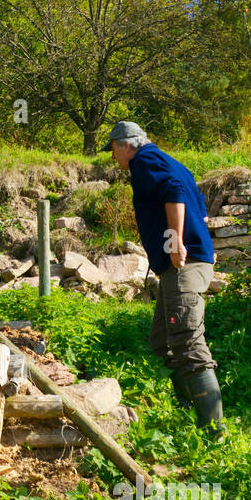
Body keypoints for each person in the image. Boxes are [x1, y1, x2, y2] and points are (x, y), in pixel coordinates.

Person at [101, 120, 226, 439]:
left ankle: (213, 432)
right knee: (162, 339)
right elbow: (199, 206)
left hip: (183, 265)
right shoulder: (171, 162)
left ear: (125, 145)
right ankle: (188, 411)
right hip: (186, 264)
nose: (113, 157)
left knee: (186, 339)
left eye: (113, 149)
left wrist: (176, 240)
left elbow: (173, 192)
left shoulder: (144, 160)